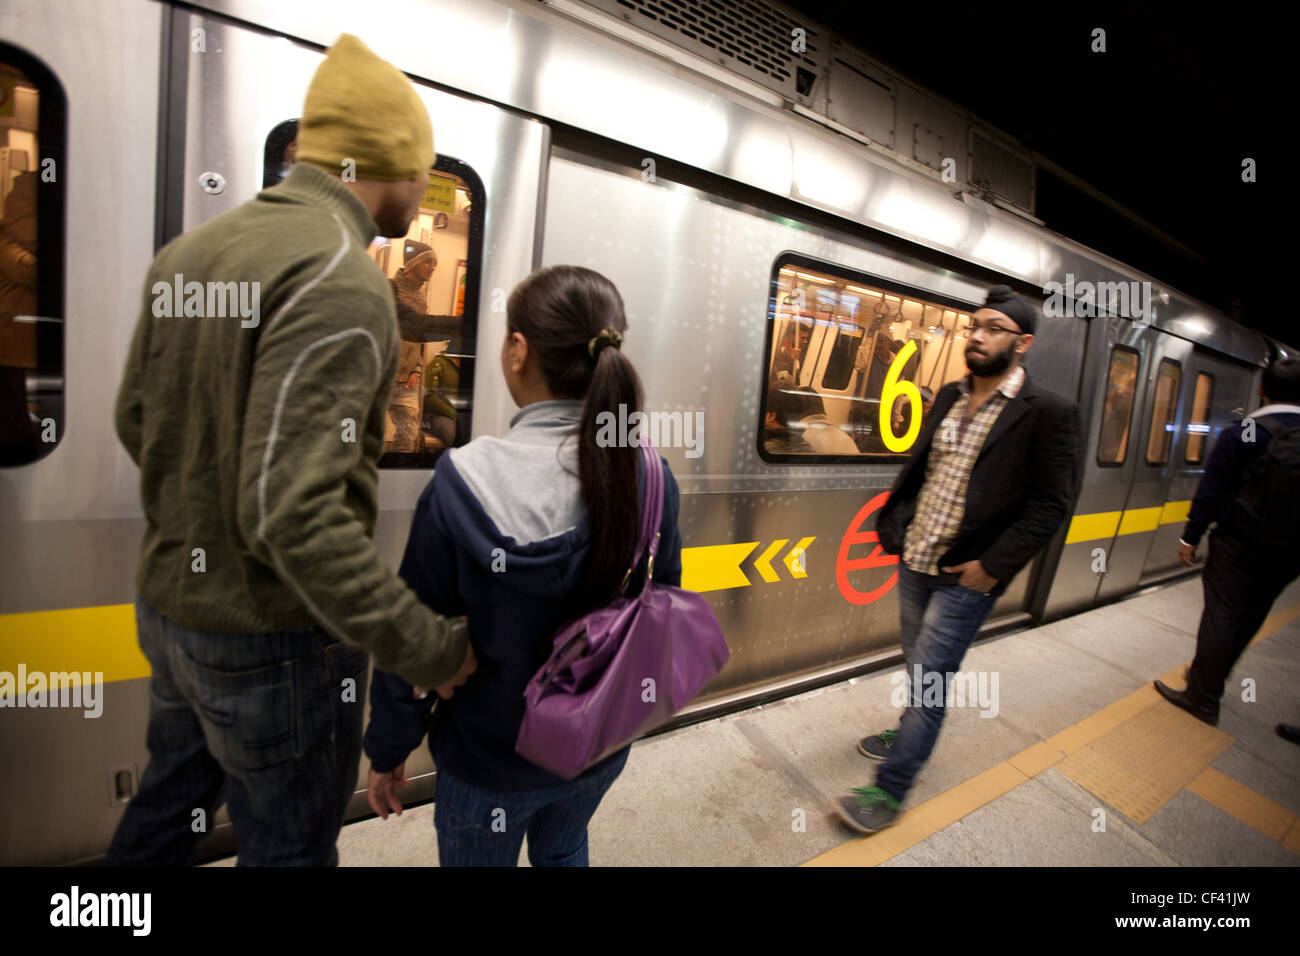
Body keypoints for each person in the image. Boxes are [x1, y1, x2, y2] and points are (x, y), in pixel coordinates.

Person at [108, 34, 475, 867]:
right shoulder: (341, 278)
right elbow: (293, 516)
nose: (423, 193)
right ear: (389, 162)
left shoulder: (192, 253)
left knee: (167, 815)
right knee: (289, 850)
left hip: (171, 612)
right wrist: (429, 651)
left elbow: (140, 421)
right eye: (422, 169)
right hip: (272, 640)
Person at [362, 265, 683, 867]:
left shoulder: (460, 482)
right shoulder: (650, 475)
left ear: (518, 350)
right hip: (595, 749)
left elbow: (413, 637)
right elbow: (660, 604)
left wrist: (389, 749)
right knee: (563, 851)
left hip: (490, 764)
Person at [838, 285, 1080, 834]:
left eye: (992, 328)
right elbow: (923, 471)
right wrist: (895, 524)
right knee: (916, 663)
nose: (976, 336)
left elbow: (1052, 504)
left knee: (930, 682)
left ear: (1023, 343)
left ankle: (889, 789)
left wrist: (993, 567)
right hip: (916, 559)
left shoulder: (1050, 414)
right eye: (973, 326)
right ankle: (908, 730)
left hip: (966, 576)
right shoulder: (948, 394)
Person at [1154, 358, 1300, 725]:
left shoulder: (1247, 431)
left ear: (1261, 389)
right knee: (1252, 616)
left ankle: (1202, 696)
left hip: (1240, 543)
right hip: (1291, 551)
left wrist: (1191, 536)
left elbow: (1213, 490)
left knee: (1222, 613)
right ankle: (1209, 678)